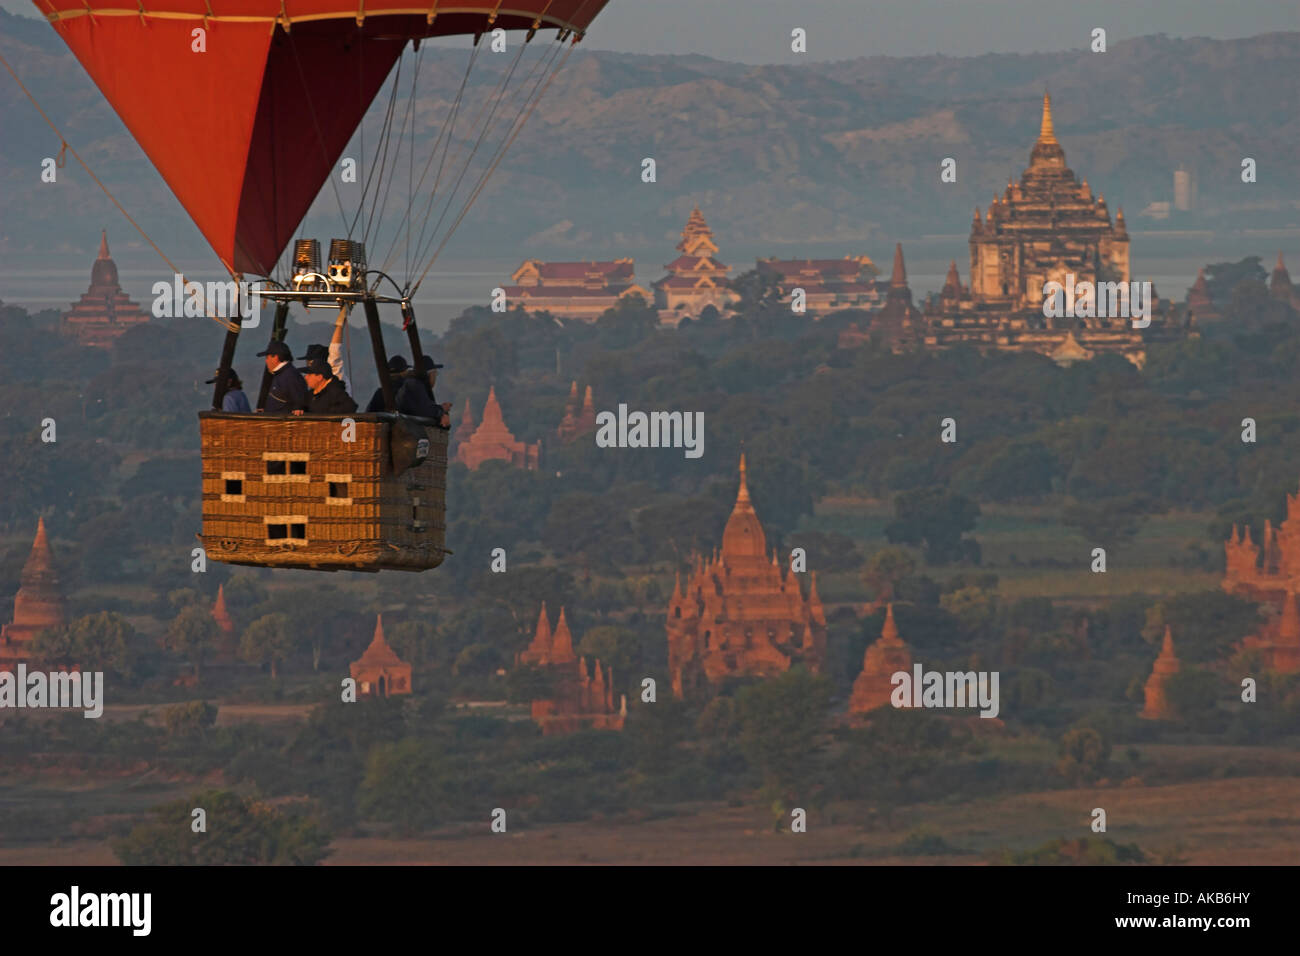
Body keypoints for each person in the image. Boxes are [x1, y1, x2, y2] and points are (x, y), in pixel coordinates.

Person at [256, 340, 308, 414]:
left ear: (276, 357)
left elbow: (299, 404)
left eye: (267, 357)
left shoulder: (290, 375)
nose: (266, 361)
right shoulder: (282, 374)